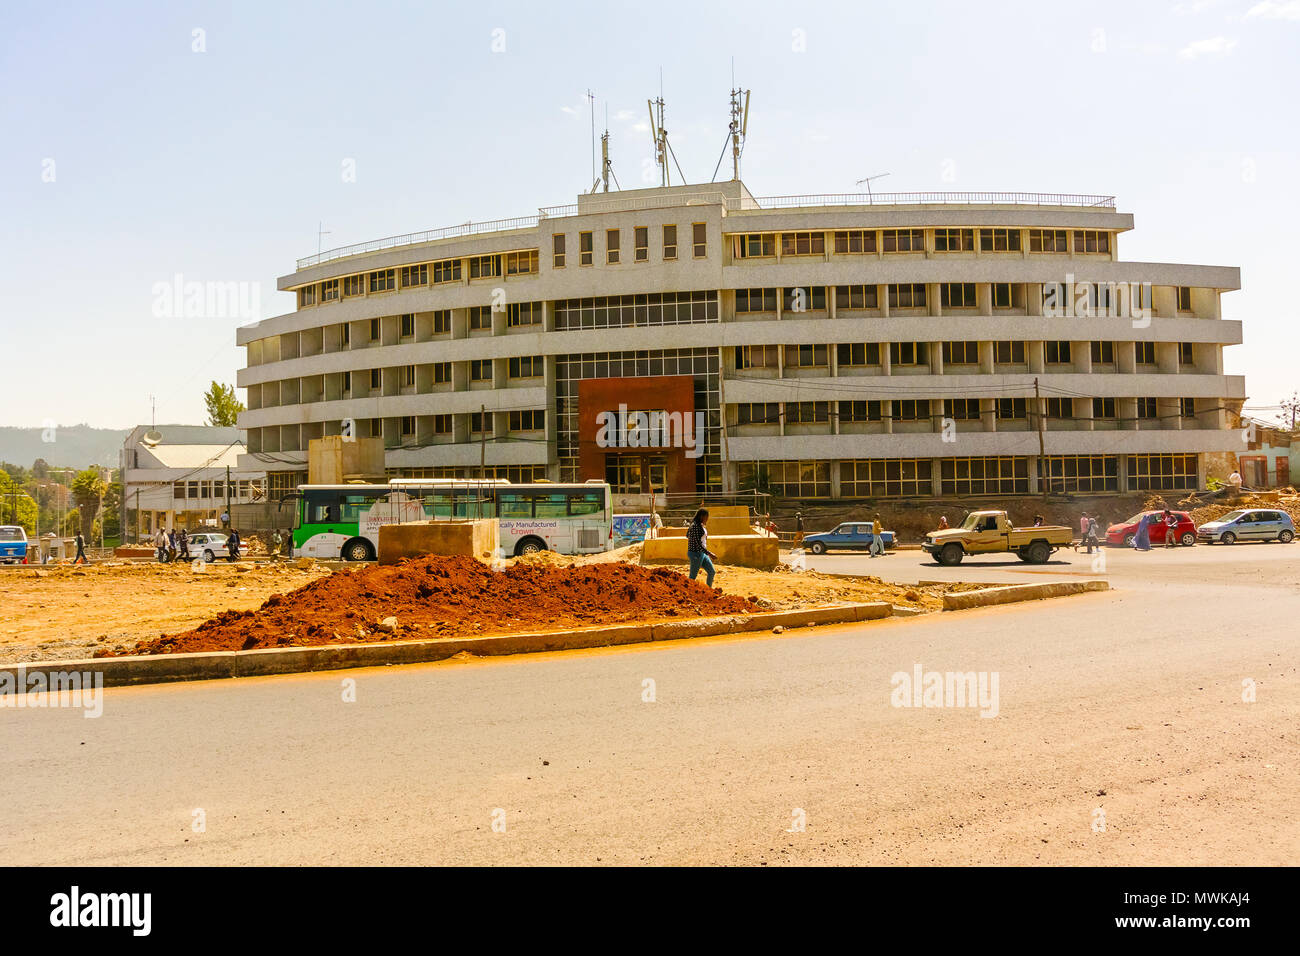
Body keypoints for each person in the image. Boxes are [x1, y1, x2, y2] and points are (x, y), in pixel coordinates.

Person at [685, 509, 716, 587]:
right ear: (702, 516)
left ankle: (708, 590)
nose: (707, 519)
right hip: (696, 554)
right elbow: (698, 544)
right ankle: (687, 591)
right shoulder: (695, 526)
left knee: (711, 571)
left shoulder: (698, 525)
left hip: (701, 553)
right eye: (706, 517)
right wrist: (710, 553)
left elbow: (687, 535)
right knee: (692, 577)